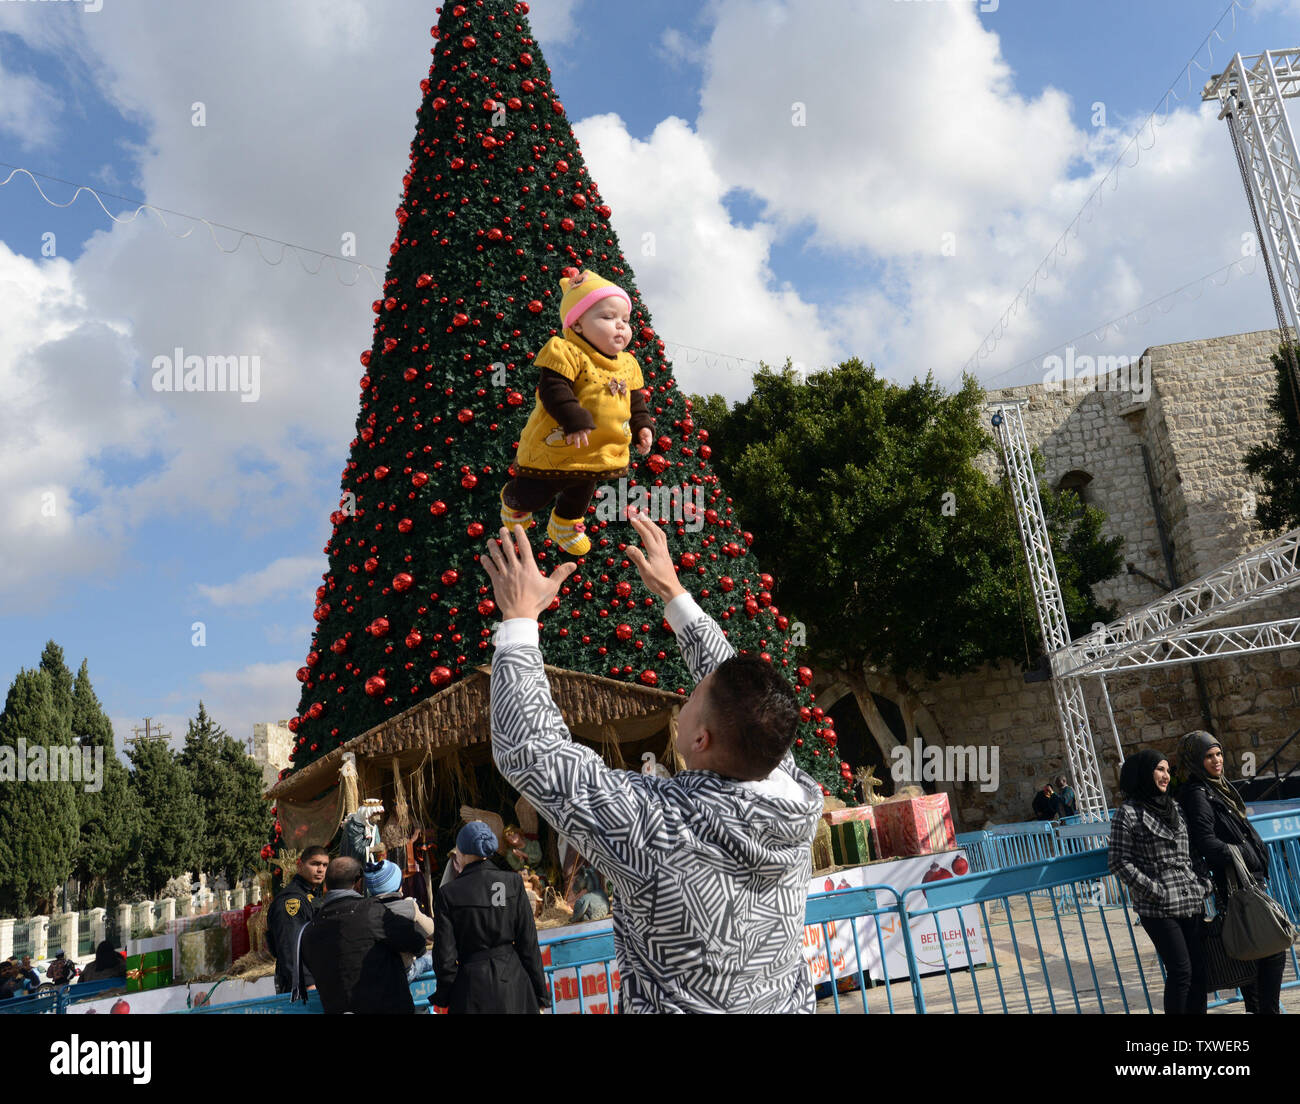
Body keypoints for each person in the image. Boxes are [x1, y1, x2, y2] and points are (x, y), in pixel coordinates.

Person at [481, 511, 825, 1013]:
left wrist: (518, 621)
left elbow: (531, 751)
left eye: (690, 701)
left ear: (701, 739)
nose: (684, 701)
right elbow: (737, 692)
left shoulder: (656, 825)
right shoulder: (791, 787)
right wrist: (674, 595)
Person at [500, 269, 655, 556]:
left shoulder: (629, 364)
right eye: (608, 318)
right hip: (556, 447)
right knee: (534, 494)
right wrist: (575, 419)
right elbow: (553, 389)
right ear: (579, 324)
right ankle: (514, 502)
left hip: (596, 452)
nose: (620, 326)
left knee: (580, 495)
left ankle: (565, 524)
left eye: (625, 319)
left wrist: (642, 426)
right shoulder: (566, 351)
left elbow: (636, 402)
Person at [1175, 729, 1285, 1014]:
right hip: (1234, 882)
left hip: (1248, 880)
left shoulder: (1217, 787)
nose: (1216, 760)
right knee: (1266, 951)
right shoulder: (1199, 794)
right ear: (1195, 761)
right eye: (1208, 756)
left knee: (1260, 954)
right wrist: (1241, 854)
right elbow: (1205, 839)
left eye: (1218, 754)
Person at [1107, 749, 1214, 1014]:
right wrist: (1156, 891)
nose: (1166, 776)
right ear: (1144, 773)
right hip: (1159, 907)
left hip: (1191, 898)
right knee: (1181, 971)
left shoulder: (1175, 808)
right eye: (1159, 769)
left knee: (1200, 973)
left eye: (1168, 770)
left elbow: (1192, 853)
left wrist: (1203, 883)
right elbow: (1119, 861)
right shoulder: (1128, 813)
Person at [429, 821, 550, 1014]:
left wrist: (444, 995)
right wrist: (540, 994)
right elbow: (528, 943)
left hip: (470, 989)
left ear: (464, 852)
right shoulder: (512, 882)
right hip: (514, 985)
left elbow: (445, 957)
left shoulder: (448, 893)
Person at [297, 856, 428, 1014]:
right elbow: (417, 942)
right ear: (359, 883)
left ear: (326, 885)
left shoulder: (309, 931)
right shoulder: (372, 912)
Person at [265, 844, 329, 995]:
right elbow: (291, 947)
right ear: (300, 865)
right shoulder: (292, 901)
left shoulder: (312, 895)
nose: (320, 869)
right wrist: (308, 984)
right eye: (314, 864)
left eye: (325, 865)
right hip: (300, 988)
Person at [364, 858, 434, 981]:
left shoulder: (366, 910)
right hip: (403, 973)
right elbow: (431, 930)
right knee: (432, 958)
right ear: (398, 885)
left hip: (377, 972)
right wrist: (417, 911)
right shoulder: (408, 906)